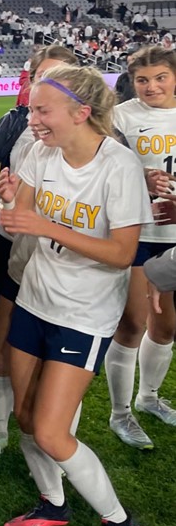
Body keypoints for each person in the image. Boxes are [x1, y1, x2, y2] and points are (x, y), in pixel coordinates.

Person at [0, 64, 148, 526]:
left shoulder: (118, 165)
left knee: (51, 430)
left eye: (42, 110)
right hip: (35, 298)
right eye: (31, 109)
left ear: (81, 113)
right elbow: (19, 221)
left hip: (83, 315)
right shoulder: (41, 153)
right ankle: (53, 503)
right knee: (24, 417)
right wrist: (11, 201)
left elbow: (122, 253)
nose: (32, 119)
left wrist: (44, 224)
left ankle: (120, 522)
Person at [0, 45, 79, 465]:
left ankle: (55, 435)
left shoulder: (101, 139)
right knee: (5, 338)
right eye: (43, 78)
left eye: (61, 77)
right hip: (14, 245)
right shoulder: (17, 123)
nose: (51, 87)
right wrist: (1, 192)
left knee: (61, 356)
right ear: (30, 80)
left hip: (73, 262)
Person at [103, 45, 176, 449]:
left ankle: (148, 398)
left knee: (166, 327)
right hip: (138, 231)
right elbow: (104, 170)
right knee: (131, 323)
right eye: (143, 80)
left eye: (161, 77)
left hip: (174, 235)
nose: (152, 87)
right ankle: (120, 413)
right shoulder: (120, 117)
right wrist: (139, 177)